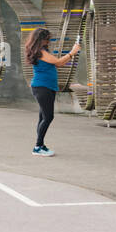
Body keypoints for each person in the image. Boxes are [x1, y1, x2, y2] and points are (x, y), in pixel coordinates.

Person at [25, 28, 79, 157]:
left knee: (43, 117)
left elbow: (58, 64)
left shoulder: (42, 51)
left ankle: (40, 145)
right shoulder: (40, 52)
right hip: (42, 87)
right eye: (48, 38)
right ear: (42, 39)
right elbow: (58, 62)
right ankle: (38, 147)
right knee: (48, 117)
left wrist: (72, 54)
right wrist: (72, 52)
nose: (49, 40)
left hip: (47, 87)